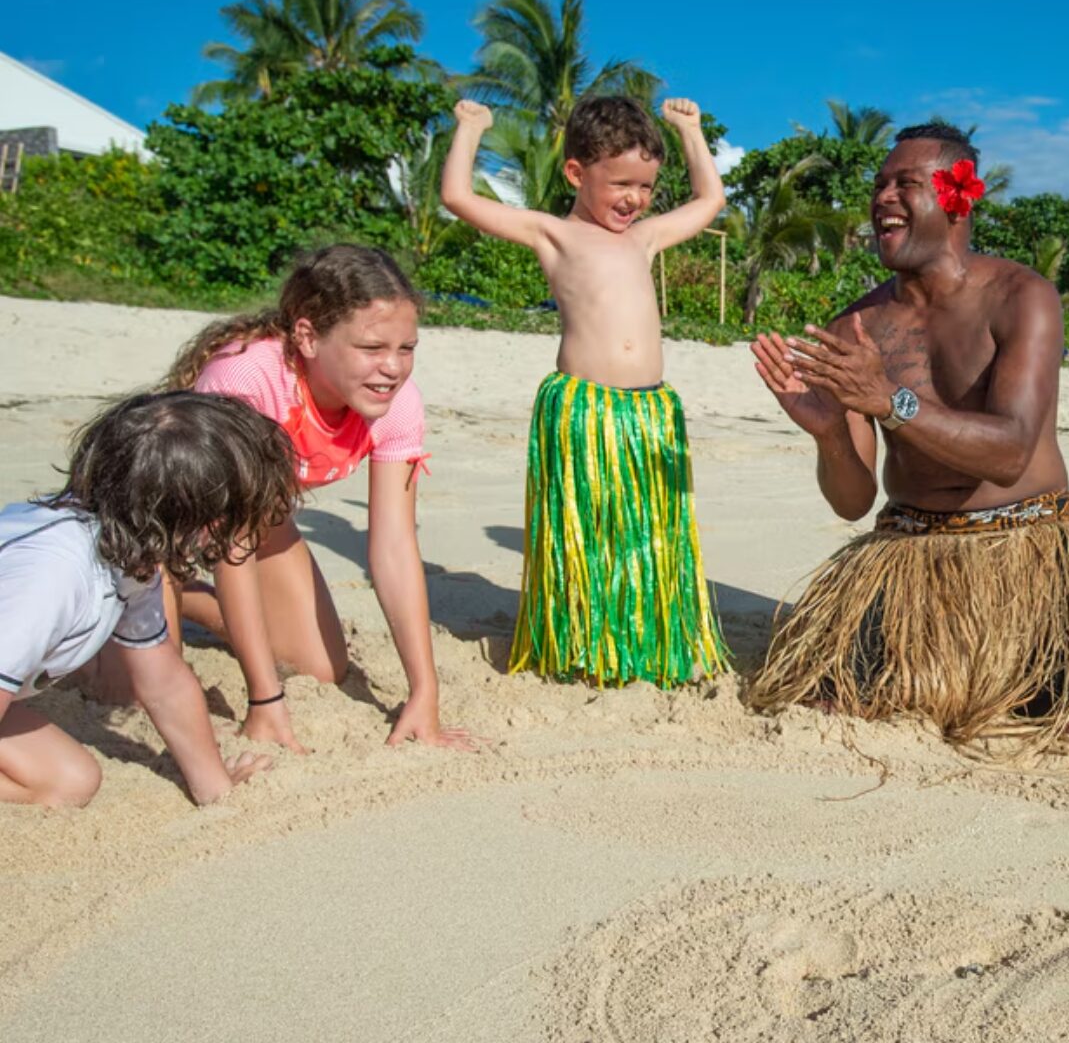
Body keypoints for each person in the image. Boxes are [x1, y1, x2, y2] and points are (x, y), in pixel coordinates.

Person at [744, 122, 1069, 755]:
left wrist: (890, 400)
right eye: (879, 184)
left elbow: (1010, 450)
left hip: (1029, 552)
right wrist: (831, 433)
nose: (883, 196)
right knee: (822, 698)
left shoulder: (1022, 298)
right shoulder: (858, 327)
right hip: (906, 556)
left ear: (959, 199)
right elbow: (853, 501)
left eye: (905, 183)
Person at [441, 95, 729, 687]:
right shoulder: (553, 234)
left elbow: (710, 200)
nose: (635, 199)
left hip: (650, 414)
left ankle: (648, 642)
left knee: (650, 540)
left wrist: (690, 131)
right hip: (584, 412)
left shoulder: (644, 239)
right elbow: (458, 198)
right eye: (621, 183)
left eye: (646, 187)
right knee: (591, 535)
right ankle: (585, 642)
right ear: (576, 172)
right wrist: (471, 129)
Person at [155, 245, 471, 752]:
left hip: (256, 518)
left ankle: (188, 599)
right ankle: (155, 590)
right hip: (156, 527)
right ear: (307, 337)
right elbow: (228, 545)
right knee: (142, 682)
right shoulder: (247, 382)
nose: (392, 367)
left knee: (322, 668)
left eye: (406, 348)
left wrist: (424, 692)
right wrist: (264, 699)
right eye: (372, 348)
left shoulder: (395, 404)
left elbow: (393, 547)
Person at [1, 393, 293, 806]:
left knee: (71, 778)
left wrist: (217, 791)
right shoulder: (53, 577)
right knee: (65, 784)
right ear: (204, 522)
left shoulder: (130, 553)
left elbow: (164, 682)